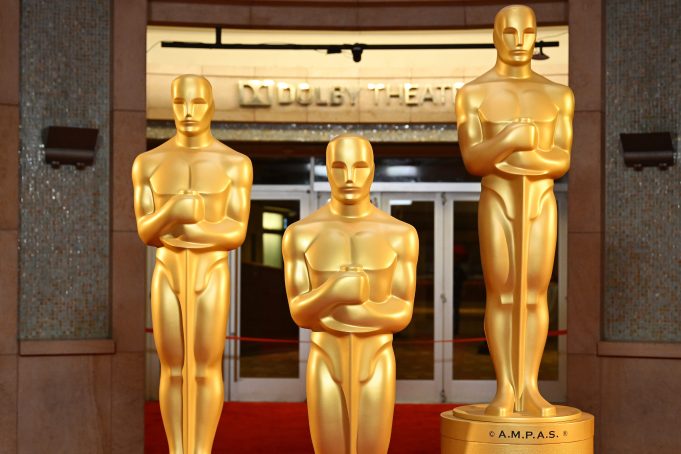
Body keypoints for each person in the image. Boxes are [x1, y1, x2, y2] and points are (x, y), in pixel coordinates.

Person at [455, 5, 574, 417]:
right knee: (503, 292)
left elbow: (561, 161)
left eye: (527, 32)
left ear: (536, 35)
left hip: (541, 200)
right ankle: (505, 387)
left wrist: (510, 156)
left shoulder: (558, 95)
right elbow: (474, 159)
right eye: (510, 32)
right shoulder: (473, 93)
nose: (519, 41)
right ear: (495, 35)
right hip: (498, 199)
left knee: (535, 293)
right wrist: (511, 139)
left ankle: (530, 386)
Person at [132, 74, 252, 453]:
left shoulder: (235, 164)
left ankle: (200, 448)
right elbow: (145, 231)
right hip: (167, 270)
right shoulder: (149, 163)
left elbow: (235, 233)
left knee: (204, 366)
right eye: (180, 102)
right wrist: (173, 210)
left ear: (212, 105)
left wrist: (186, 227)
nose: (187, 111)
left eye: (197, 102)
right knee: (174, 368)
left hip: (211, 271)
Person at [282, 134, 418, 453]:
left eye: (359, 166)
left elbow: (402, 313)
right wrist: (334, 290)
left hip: (378, 355)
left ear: (372, 169)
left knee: (373, 446)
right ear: (327, 170)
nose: (349, 177)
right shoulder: (301, 234)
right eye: (339, 167)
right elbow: (299, 312)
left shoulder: (401, 234)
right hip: (325, 354)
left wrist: (344, 308)